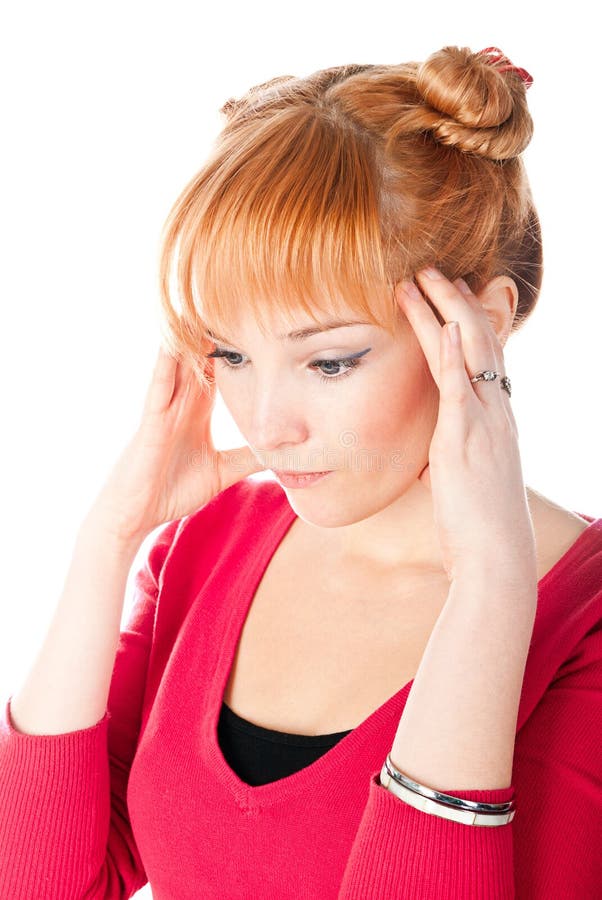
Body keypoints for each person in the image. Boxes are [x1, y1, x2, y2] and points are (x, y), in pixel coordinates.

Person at [1, 44, 600, 899]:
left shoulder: (582, 626)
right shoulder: (205, 546)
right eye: (231, 354)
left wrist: (490, 589)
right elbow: (38, 885)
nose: (266, 424)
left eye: (329, 362)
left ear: (481, 326)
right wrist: (109, 538)